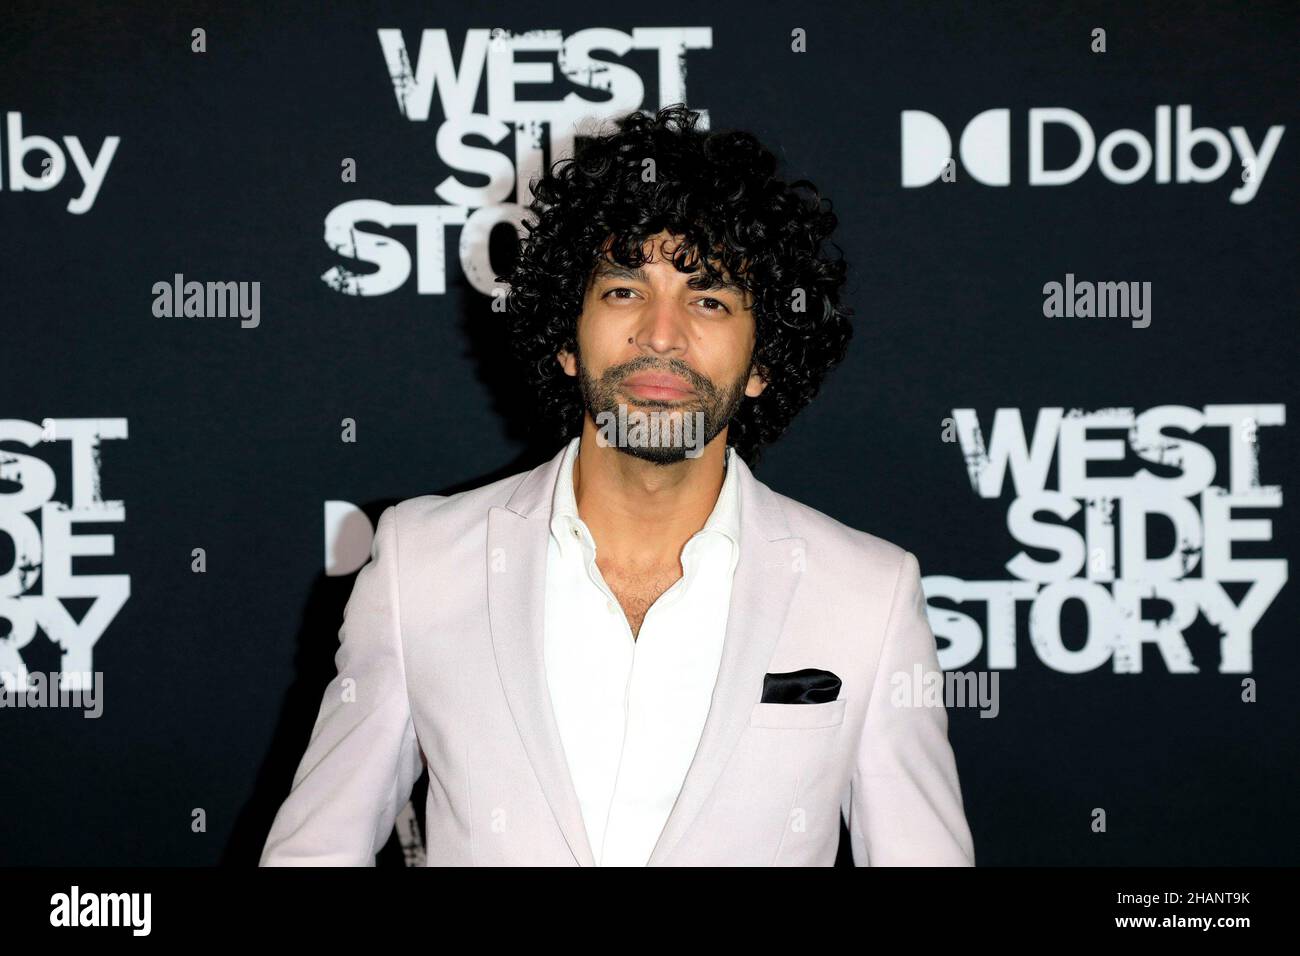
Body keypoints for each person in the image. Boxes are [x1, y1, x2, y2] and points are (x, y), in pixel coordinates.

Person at [260, 103, 974, 866]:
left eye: (709, 300)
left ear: (764, 362)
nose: (661, 335)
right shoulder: (419, 564)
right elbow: (315, 852)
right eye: (625, 291)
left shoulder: (867, 595)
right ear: (567, 339)